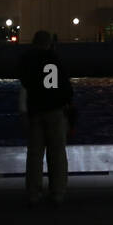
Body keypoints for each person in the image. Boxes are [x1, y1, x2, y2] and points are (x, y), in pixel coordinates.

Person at [18, 30, 74, 206]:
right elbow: (67, 88)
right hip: (55, 111)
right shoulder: (56, 60)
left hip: (35, 111)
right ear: (50, 43)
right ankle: (57, 192)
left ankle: (33, 193)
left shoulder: (28, 60)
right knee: (57, 153)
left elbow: (25, 84)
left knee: (35, 155)